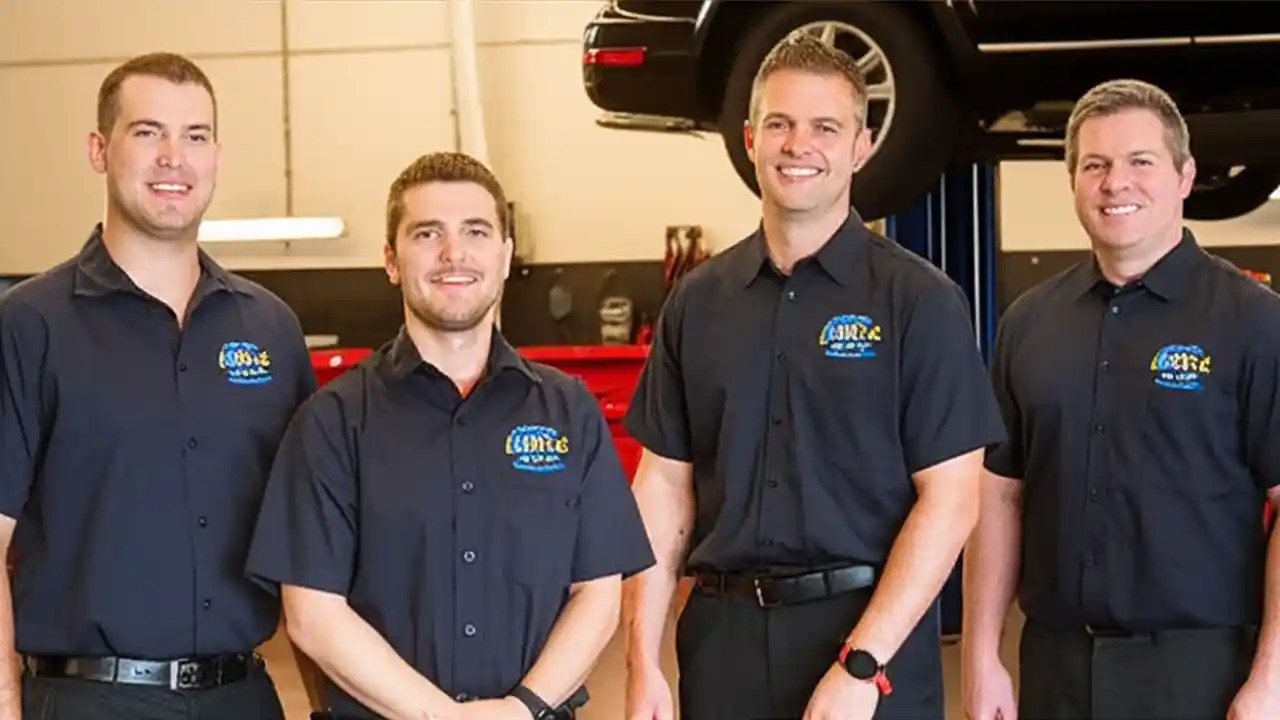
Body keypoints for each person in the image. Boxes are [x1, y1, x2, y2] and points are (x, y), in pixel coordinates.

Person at [621, 31, 1007, 720]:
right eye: (780, 124)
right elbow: (662, 490)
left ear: (861, 145)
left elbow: (952, 501)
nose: (799, 145)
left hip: (866, 641)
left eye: (825, 127)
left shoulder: (919, 302)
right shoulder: (698, 302)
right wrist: (644, 662)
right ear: (749, 139)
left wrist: (863, 664)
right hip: (722, 643)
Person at [243, 151, 656, 720]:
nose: (453, 253)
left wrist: (520, 710)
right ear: (391, 259)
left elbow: (598, 593)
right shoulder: (331, 422)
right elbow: (313, 613)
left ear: (506, 256)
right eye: (427, 232)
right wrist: (440, 717)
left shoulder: (569, 413)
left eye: (476, 232)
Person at [0, 52, 318, 719]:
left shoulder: (271, 330)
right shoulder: (30, 326)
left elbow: (311, 545)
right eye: (148, 132)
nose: (174, 157)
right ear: (99, 149)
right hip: (85, 699)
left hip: (245, 698)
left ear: (217, 155)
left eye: (194, 136)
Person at [961, 78, 1280, 720]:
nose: (1116, 183)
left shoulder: (1254, 322)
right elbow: (999, 495)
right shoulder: (1027, 324)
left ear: (1186, 176)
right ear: (1074, 181)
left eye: (1141, 162)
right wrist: (980, 657)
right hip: (1054, 667)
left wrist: (1271, 681)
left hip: (1202, 673)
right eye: (1095, 165)